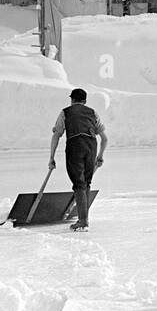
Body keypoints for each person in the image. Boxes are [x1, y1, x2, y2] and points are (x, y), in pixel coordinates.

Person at [48, 88, 109, 232]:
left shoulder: (65, 112)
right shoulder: (93, 113)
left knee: (79, 184)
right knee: (86, 182)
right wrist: (100, 155)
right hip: (91, 146)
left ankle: (82, 221)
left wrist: (51, 158)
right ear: (85, 101)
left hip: (75, 146)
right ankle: (84, 219)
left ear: (72, 100)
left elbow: (56, 135)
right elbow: (105, 138)